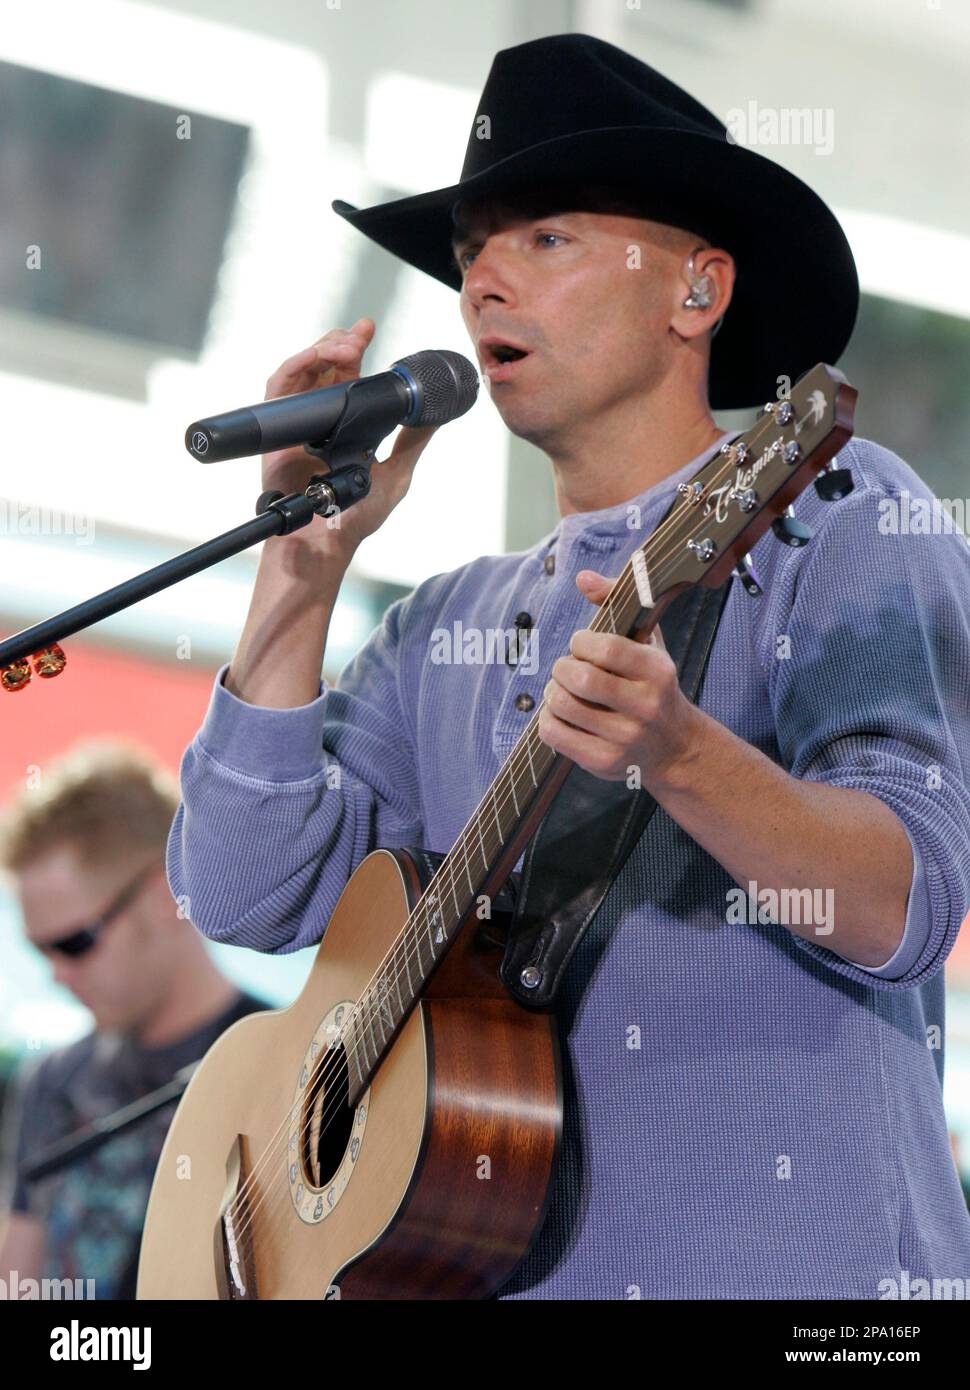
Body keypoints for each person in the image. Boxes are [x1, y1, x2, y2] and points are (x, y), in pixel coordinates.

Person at [166, 34, 970, 1297]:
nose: (483, 279)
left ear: (695, 293)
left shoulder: (843, 508)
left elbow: (905, 903)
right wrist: (300, 571)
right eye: (472, 248)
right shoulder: (437, 625)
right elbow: (238, 890)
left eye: (543, 236)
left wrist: (684, 755)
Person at [0, 741, 267, 1300]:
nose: (58, 975)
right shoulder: (53, 1082)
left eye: (75, 943)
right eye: (40, 952)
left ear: (166, 892)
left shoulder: (284, 1061)